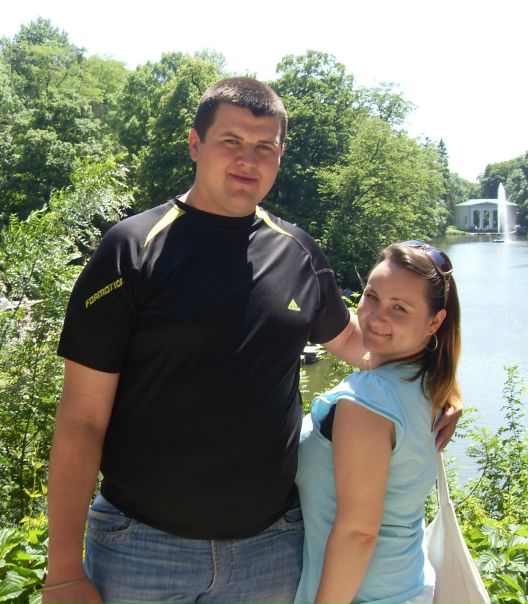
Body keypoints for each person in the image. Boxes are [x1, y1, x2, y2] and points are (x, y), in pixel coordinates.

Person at [43, 78, 459, 604]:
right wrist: (63, 569)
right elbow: (82, 418)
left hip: (272, 550)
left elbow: (368, 346)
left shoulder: (297, 252)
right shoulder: (131, 250)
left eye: (265, 146)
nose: (248, 159)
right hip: (142, 549)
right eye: (232, 141)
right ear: (195, 144)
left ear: (280, 157)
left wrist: (441, 387)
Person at [294, 240, 462, 604]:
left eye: (399, 307)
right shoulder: (427, 381)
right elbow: (352, 340)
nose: (375, 317)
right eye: (372, 296)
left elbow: (358, 533)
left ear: (435, 321)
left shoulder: (368, 401)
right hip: (406, 582)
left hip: (361, 595)